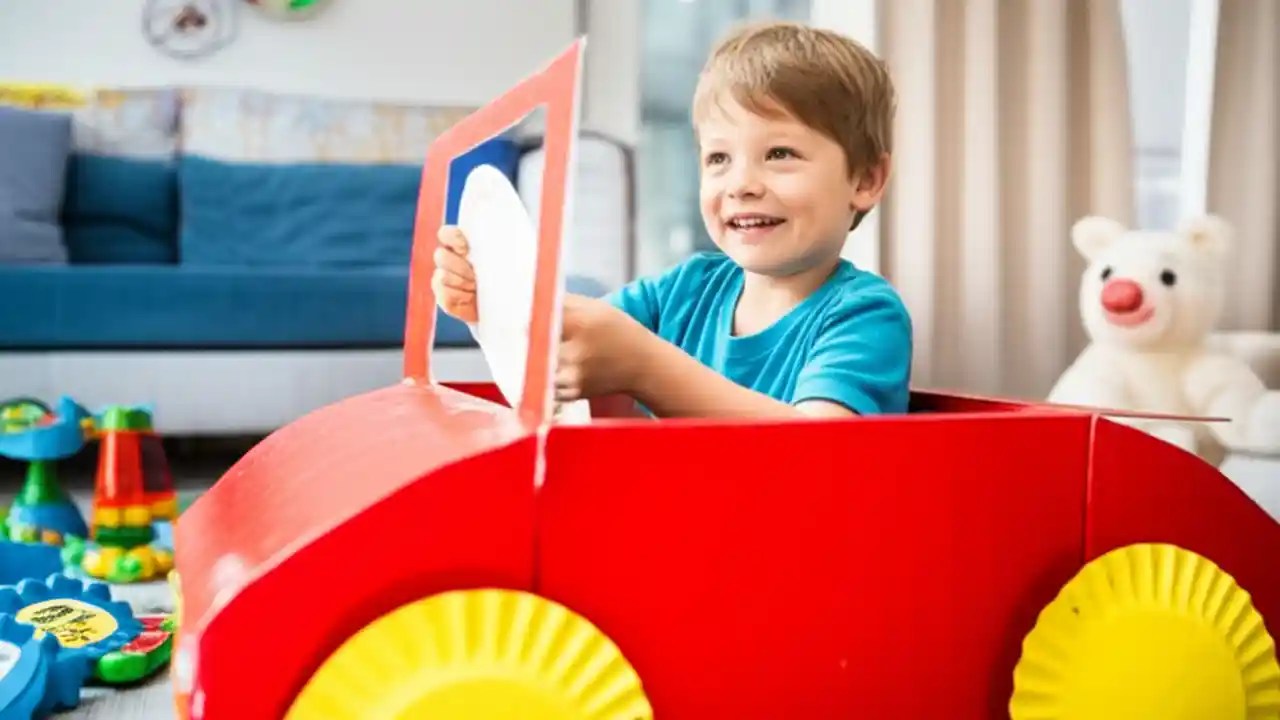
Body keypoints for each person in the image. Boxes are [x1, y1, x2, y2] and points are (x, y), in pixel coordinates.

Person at [433, 20, 912, 419]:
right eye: (719, 158)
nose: (741, 184)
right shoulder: (684, 290)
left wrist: (645, 367)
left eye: (779, 153)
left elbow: (822, 451)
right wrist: (491, 303)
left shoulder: (863, 314)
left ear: (866, 180)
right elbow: (569, 336)